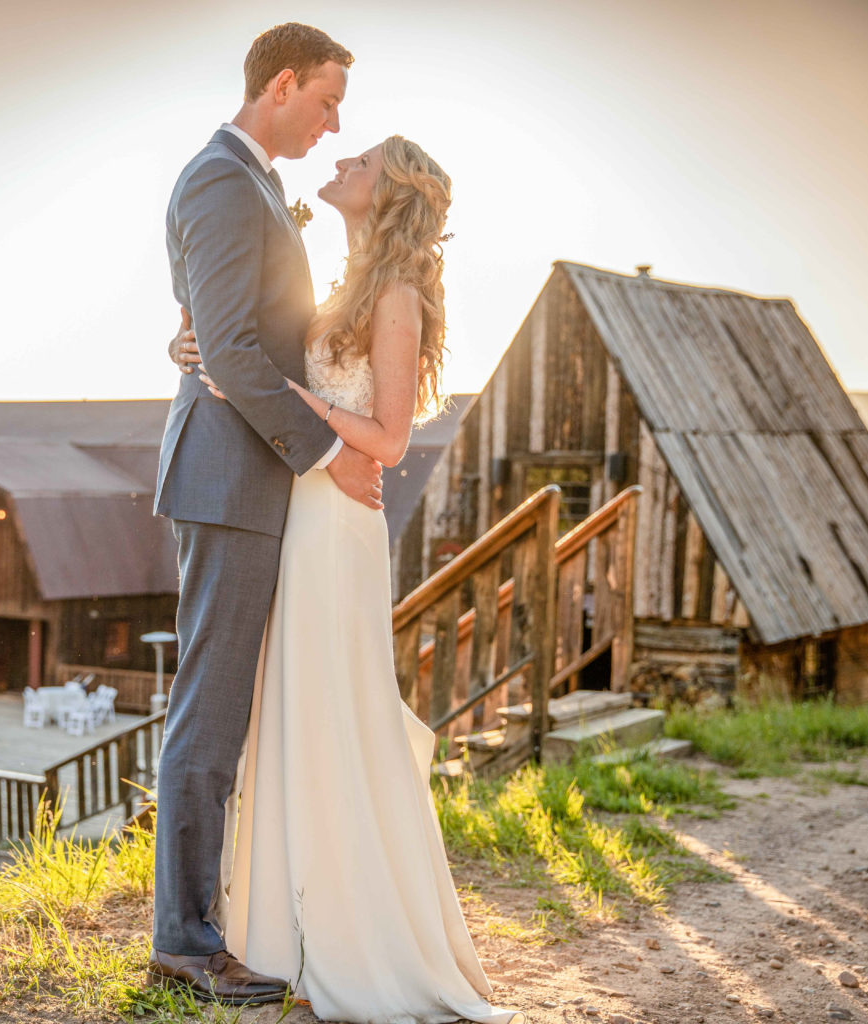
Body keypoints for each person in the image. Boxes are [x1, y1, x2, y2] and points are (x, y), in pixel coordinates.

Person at [169, 136, 526, 1024]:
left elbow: (391, 439)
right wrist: (194, 342)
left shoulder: (397, 293)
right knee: (294, 708)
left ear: (389, 190)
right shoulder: (349, 284)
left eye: (358, 160)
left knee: (333, 707)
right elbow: (251, 342)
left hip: (335, 521)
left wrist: (301, 416)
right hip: (303, 508)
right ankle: (290, 922)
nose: (338, 159)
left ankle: (353, 930)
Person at [149, 22, 385, 1007]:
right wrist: (332, 455)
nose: (333, 125)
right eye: (327, 101)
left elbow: (225, 333)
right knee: (210, 710)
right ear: (281, 84)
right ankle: (185, 941)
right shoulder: (220, 178)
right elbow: (232, 353)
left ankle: (220, 918)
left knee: (232, 707)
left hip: (250, 473)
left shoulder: (247, 183)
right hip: (229, 478)